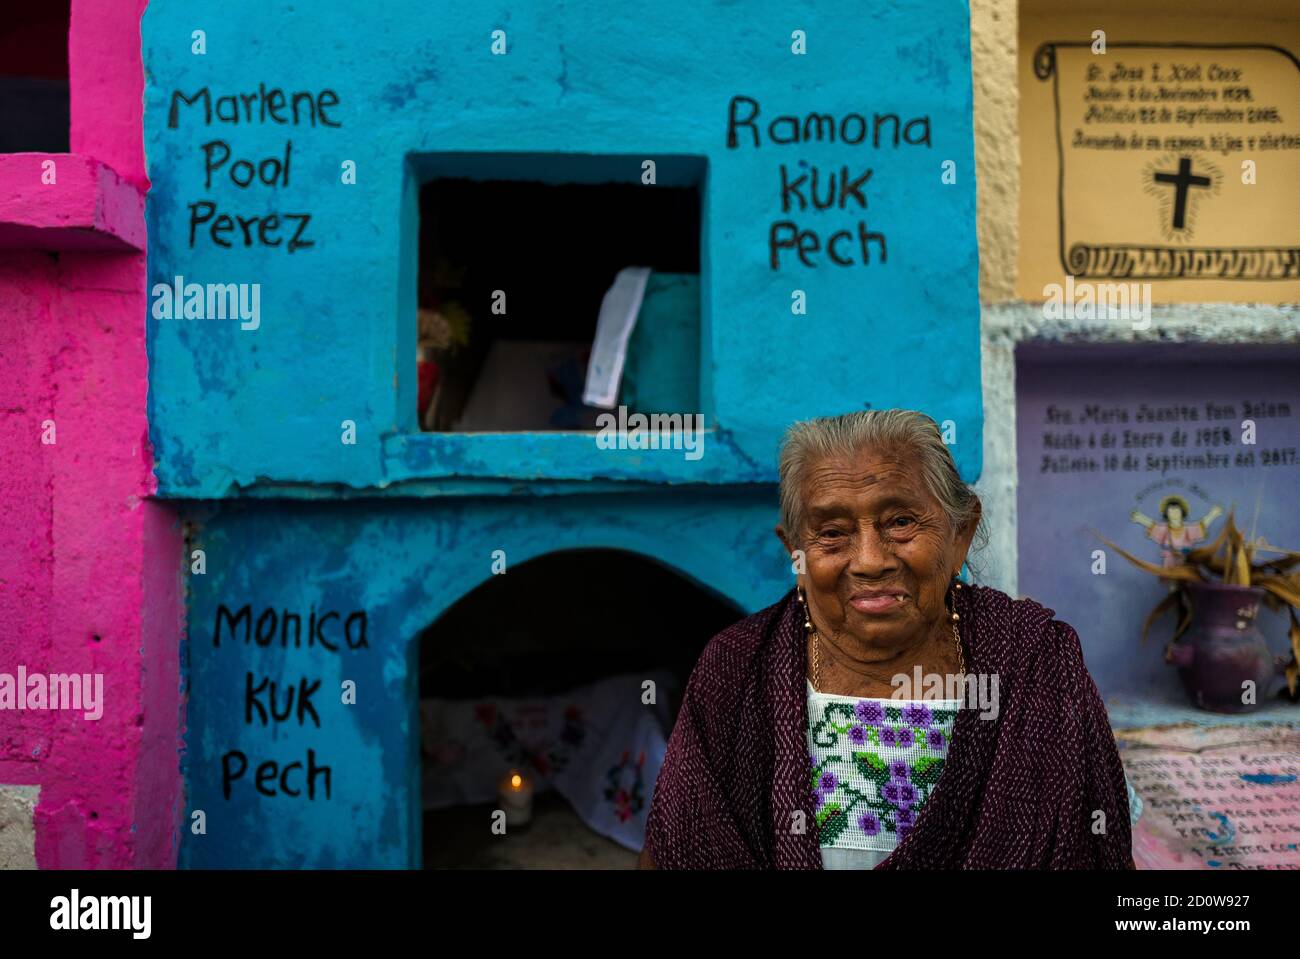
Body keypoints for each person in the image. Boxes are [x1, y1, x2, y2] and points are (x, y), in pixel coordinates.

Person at [638, 410, 1136, 869]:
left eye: (900, 522)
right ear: (795, 553)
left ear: (961, 532)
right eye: (832, 532)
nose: (871, 560)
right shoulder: (736, 668)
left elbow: (1095, 844)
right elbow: (677, 848)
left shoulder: (1037, 663)